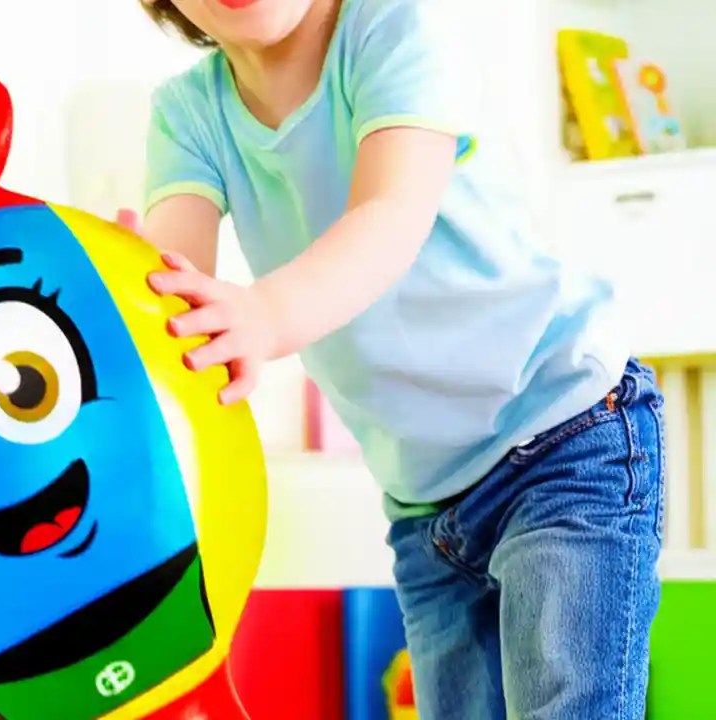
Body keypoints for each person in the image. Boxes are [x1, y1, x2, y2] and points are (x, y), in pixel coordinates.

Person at [131, 0, 666, 717]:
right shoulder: (187, 114)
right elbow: (172, 290)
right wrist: (129, 296)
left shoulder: (394, 27)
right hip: (425, 504)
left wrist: (263, 314)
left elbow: (389, 217)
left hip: (562, 434)